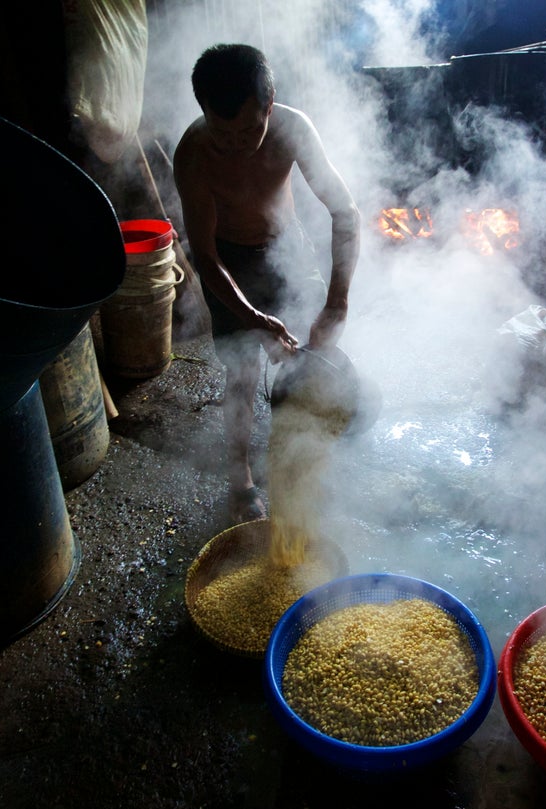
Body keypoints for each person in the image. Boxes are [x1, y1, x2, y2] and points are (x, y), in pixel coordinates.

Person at [173, 43, 361, 523]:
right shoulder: (194, 155)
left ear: (269, 104)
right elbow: (207, 257)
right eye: (223, 132)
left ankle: (307, 466)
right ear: (204, 112)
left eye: (250, 130)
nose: (237, 144)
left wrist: (336, 302)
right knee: (242, 374)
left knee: (312, 359)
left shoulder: (293, 130)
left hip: (284, 249)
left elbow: (345, 211)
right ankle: (242, 482)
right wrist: (255, 319)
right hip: (228, 263)